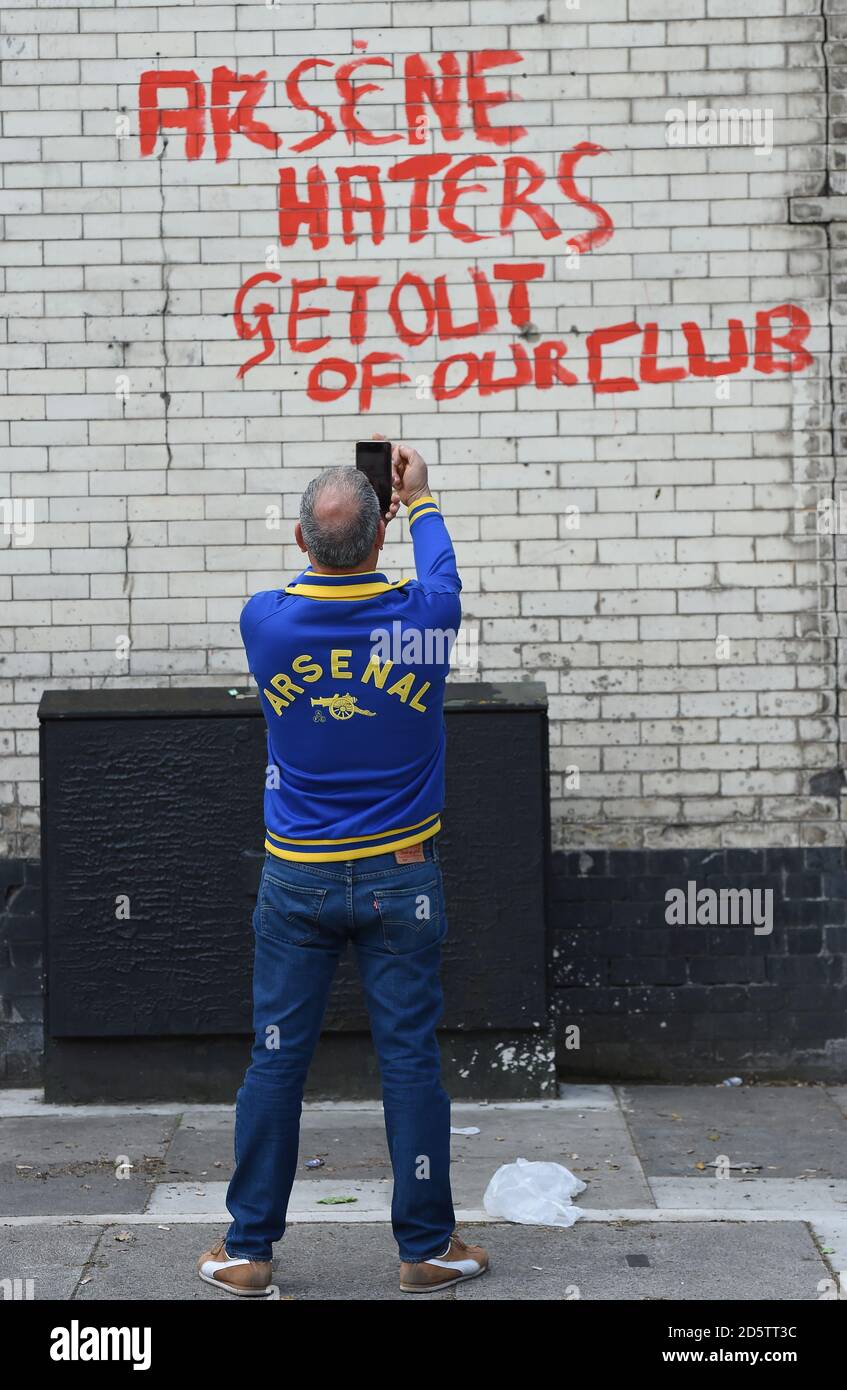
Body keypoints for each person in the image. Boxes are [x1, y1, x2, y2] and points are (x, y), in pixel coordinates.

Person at [197, 441, 489, 1296]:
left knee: (275, 1062)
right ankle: (426, 1249)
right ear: (379, 535)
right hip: (403, 878)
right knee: (409, 1062)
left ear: (298, 540)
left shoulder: (265, 620)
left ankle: (248, 1250)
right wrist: (419, 501)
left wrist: (370, 530)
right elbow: (443, 579)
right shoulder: (421, 620)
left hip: (297, 881)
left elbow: (333, 578)